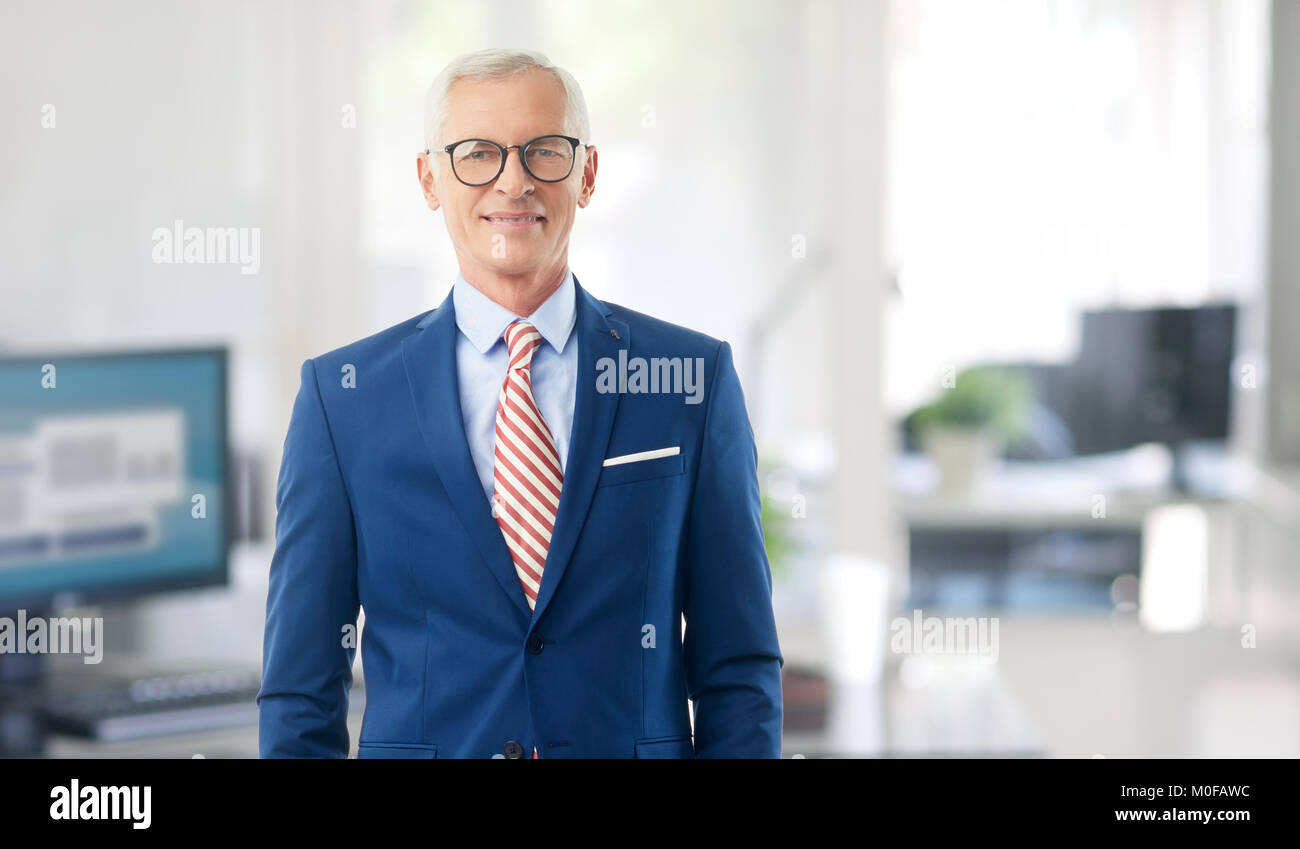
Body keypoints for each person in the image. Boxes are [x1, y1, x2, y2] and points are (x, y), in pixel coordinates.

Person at [257, 48, 782, 758]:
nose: (514, 180)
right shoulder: (341, 399)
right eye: (478, 153)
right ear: (429, 178)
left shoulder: (691, 377)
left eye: (544, 151)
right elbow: (300, 691)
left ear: (588, 173)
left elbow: (738, 666)